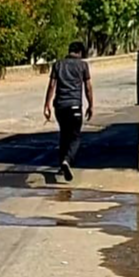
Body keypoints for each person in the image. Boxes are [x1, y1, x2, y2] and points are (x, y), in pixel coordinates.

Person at [43, 41, 94, 182]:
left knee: (64, 135)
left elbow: (52, 85)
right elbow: (88, 87)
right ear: (80, 53)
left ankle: (62, 165)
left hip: (59, 107)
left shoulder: (58, 64)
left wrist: (46, 105)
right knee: (75, 136)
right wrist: (90, 105)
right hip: (74, 107)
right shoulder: (83, 65)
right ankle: (67, 160)